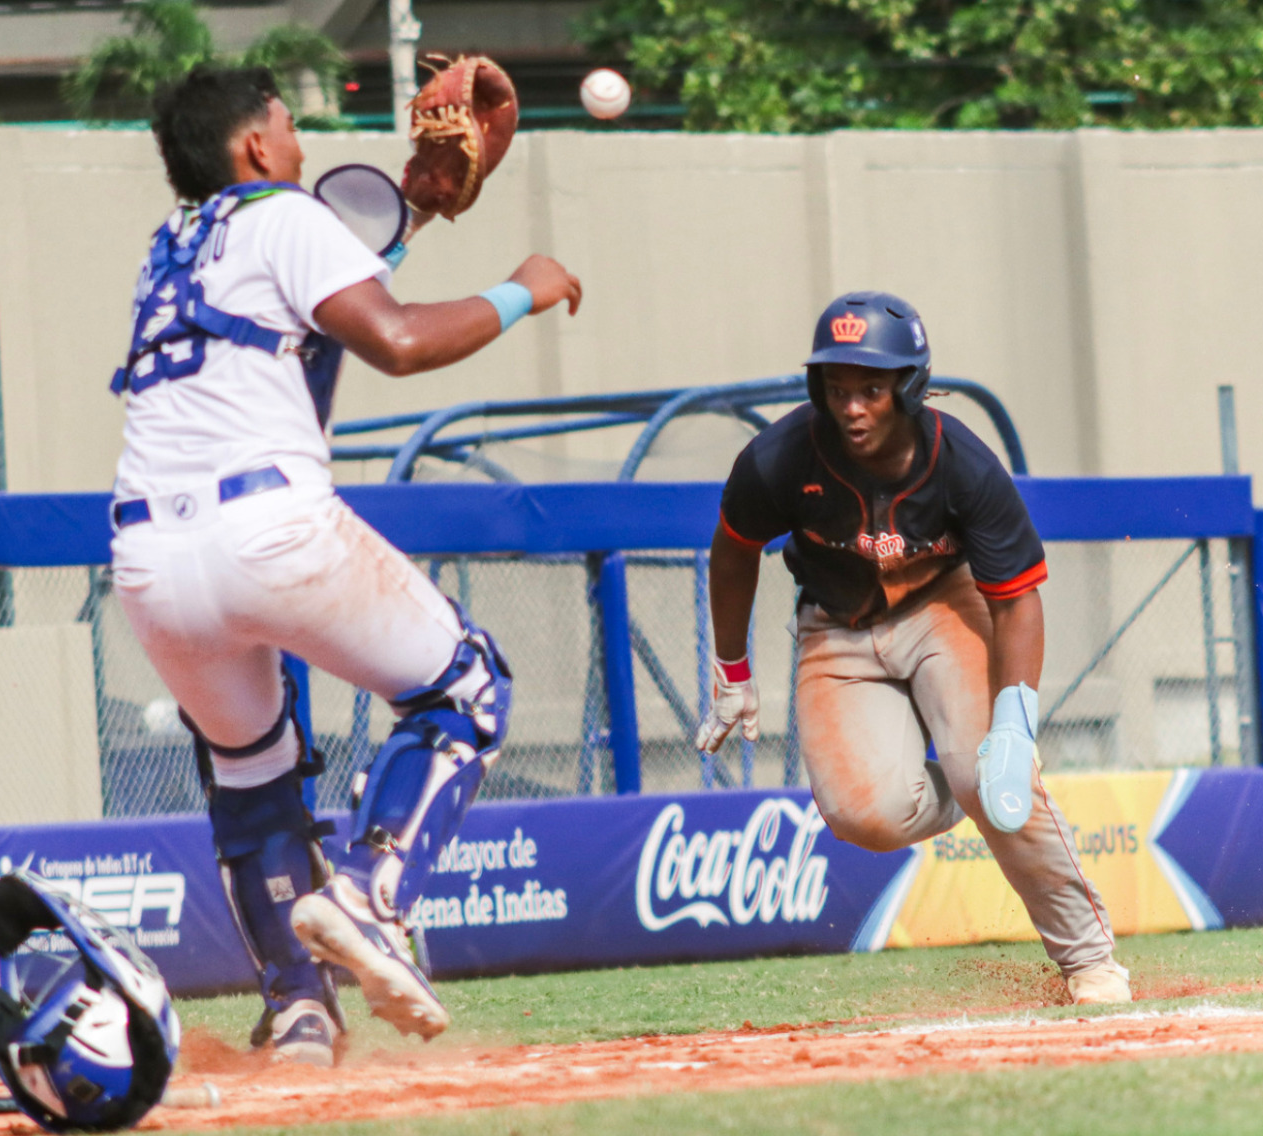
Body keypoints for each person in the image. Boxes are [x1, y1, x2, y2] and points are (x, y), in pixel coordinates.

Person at [106, 65, 582, 1065]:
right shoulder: (283, 212)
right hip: (268, 528)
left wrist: (418, 206)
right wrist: (523, 291)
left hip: (148, 562)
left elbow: (311, 341)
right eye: (287, 126)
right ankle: (369, 897)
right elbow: (393, 341)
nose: (300, 143)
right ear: (255, 147)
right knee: (466, 689)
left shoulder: (171, 246)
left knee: (250, 771)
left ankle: (298, 1012)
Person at [695, 291, 1130, 1004]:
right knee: (863, 816)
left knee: (998, 775)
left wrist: (1014, 726)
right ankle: (973, 784)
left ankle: (1090, 963)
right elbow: (734, 549)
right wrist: (731, 670)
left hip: (942, 604)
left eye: (871, 389)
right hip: (836, 622)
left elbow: (1017, 599)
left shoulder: (962, 462)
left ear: (910, 386)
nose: (853, 407)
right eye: (838, 388)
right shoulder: (780, 456)